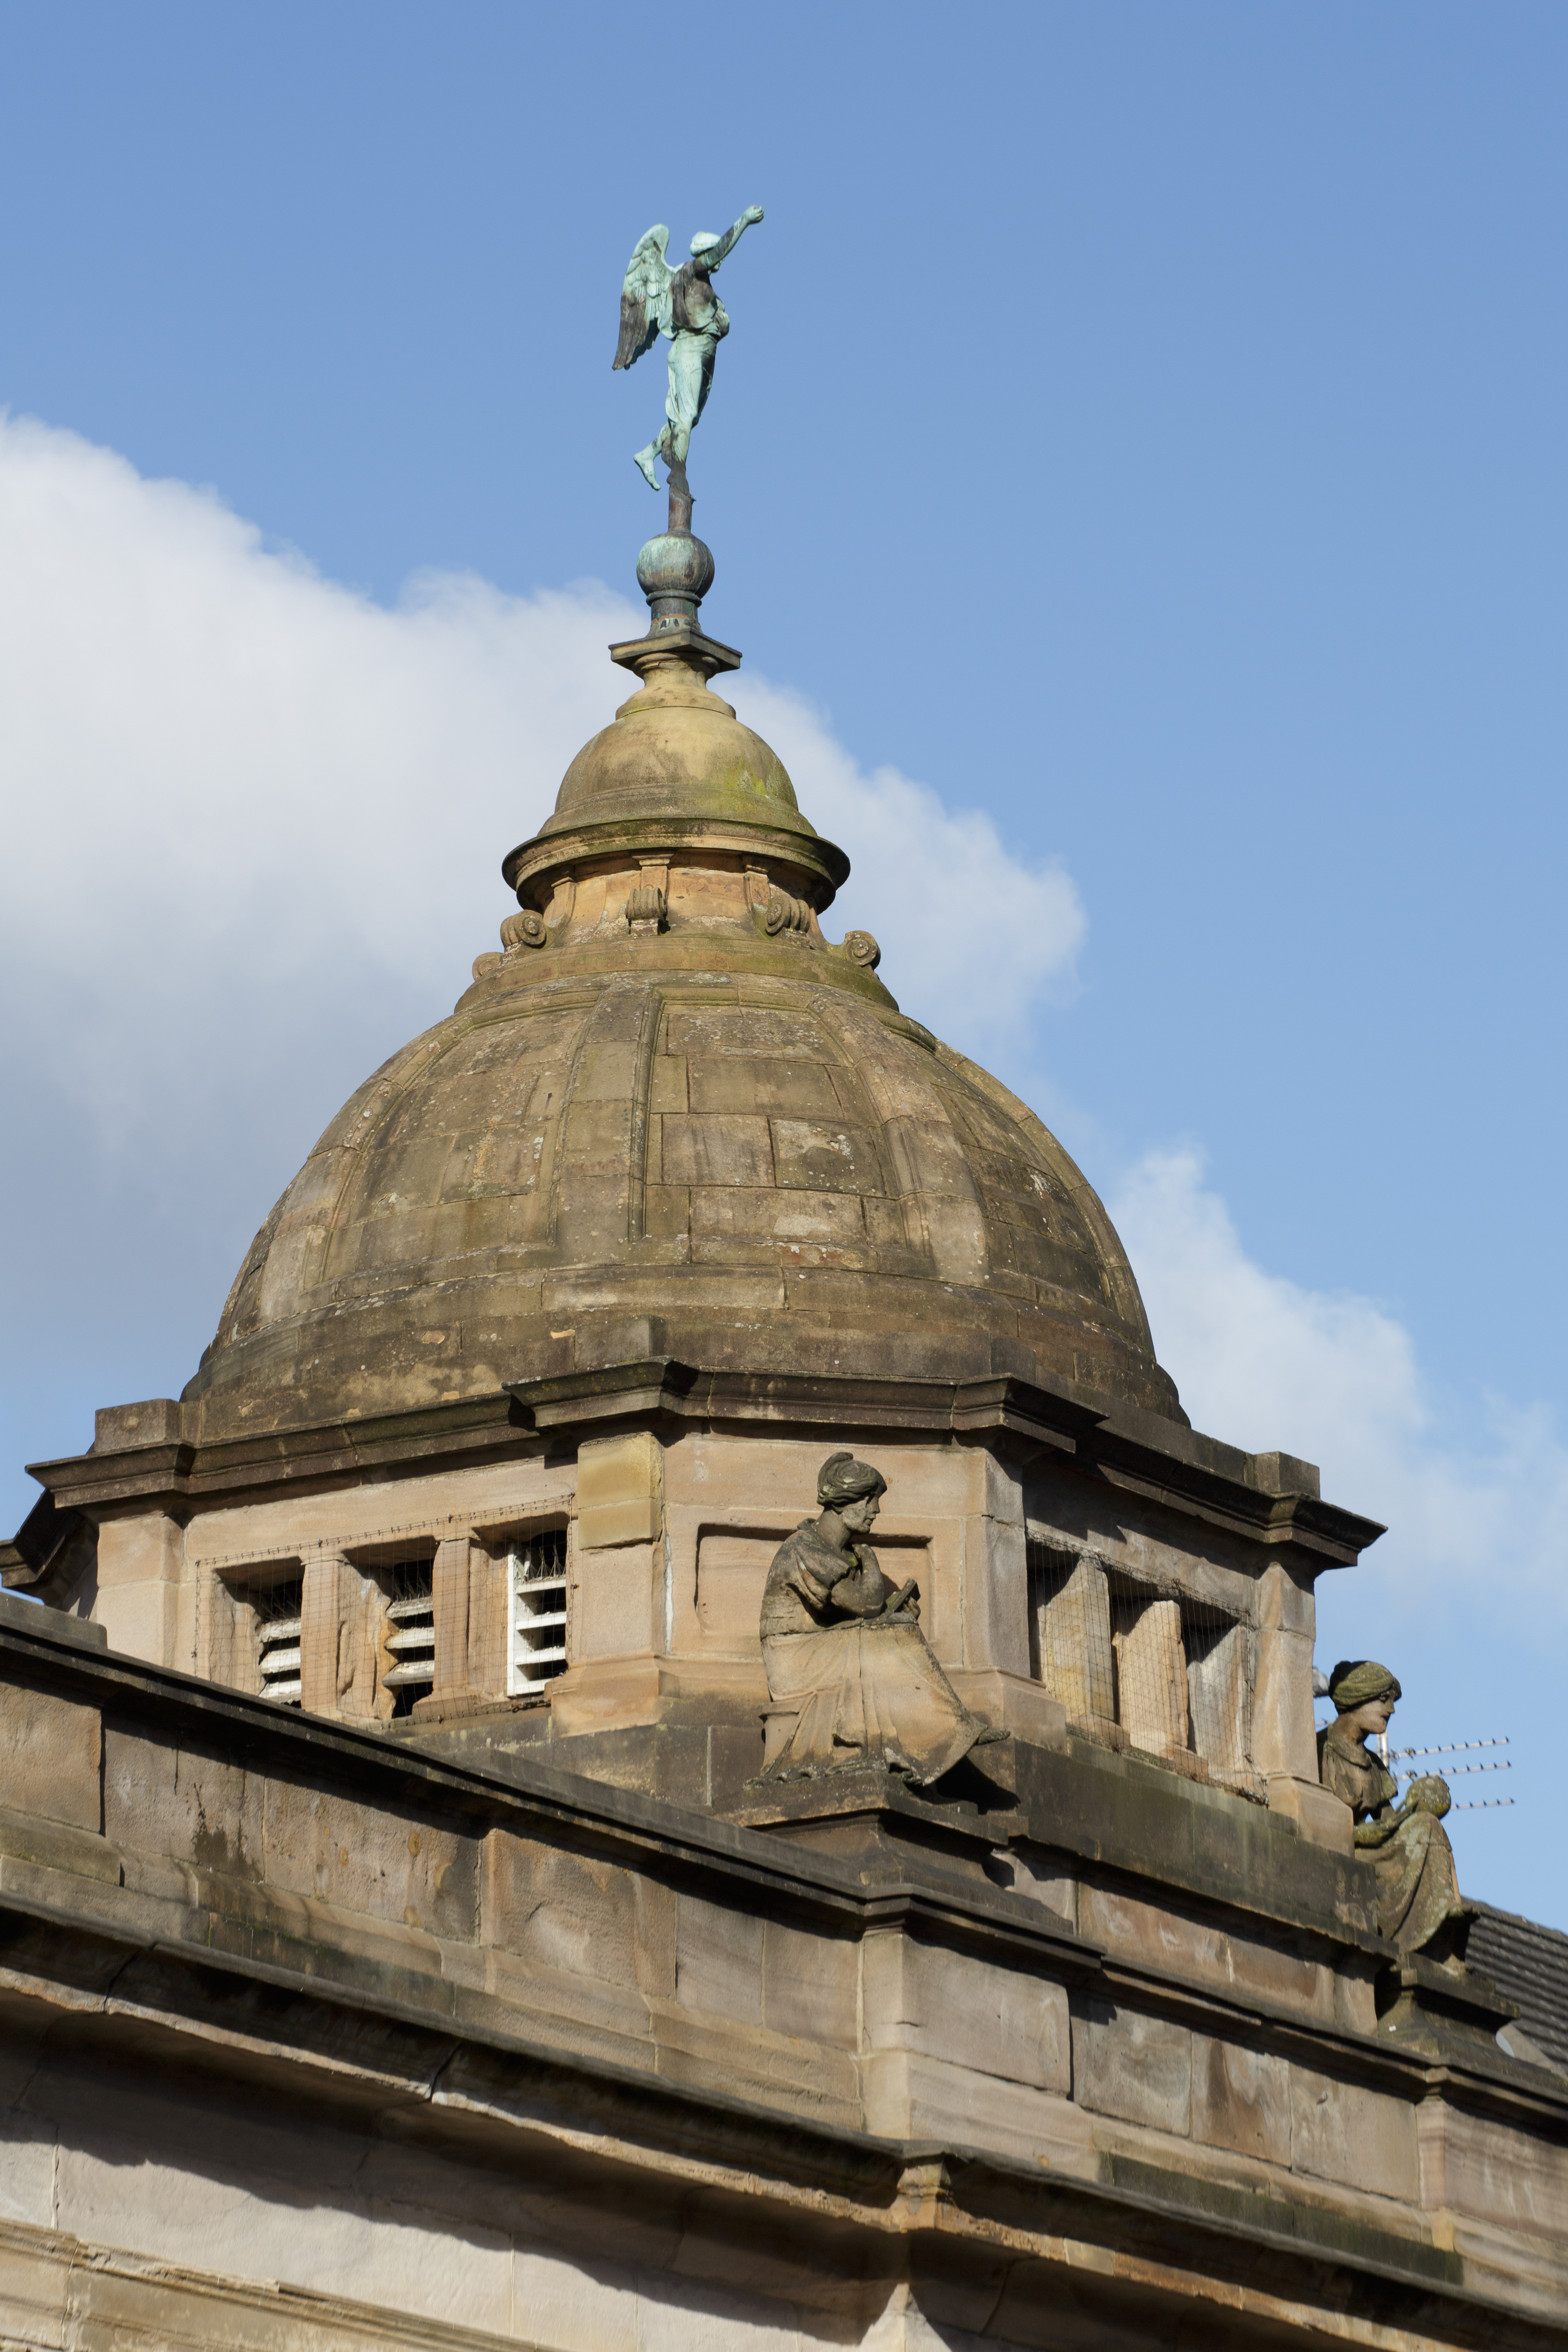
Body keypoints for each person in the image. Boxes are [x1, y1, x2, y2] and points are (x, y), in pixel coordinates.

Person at [759, 1452, 1004, 1787]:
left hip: (821, 1647)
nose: (877, 1511)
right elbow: (867, 1606)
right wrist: (871, 1561)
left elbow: (864, 1614)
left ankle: (943, 1735)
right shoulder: (803, 1548)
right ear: (844, 1503)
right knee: (888, 1633)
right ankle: (950, 1731)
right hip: (793, 1659)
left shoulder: (843, 1555)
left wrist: (895, 1610)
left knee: (898, 1627)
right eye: (870, 1501)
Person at [1318, 1659, 1469, 1960]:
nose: (1391, 1710)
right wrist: (1374, 1832)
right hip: (1340, 1850)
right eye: (1384, 1701)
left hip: (1375, 1849)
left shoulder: (1373, 1764)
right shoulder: (1319, 1748)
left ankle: (1443, 1925)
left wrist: (1417, 1805)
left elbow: (1389, 1823)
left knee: (1427, 1824)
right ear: (1358, 1698)